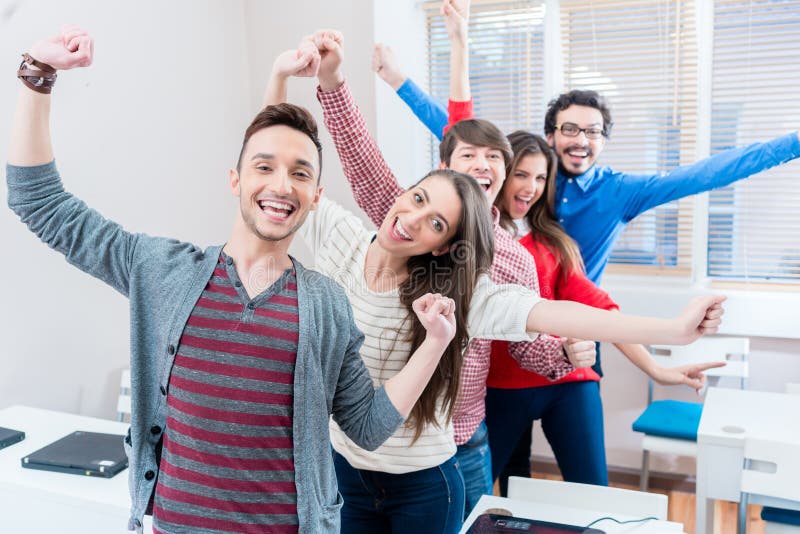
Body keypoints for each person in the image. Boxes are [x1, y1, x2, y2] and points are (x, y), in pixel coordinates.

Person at [7, 28, 466, 534]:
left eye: (299, 173)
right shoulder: (162, 271)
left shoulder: (325, 303)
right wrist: (37, 74)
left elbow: (368, 425)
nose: (279, 184)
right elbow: (41, 204)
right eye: (264, 167)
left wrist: (435, 343)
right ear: (236, 180)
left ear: (315, 196)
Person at [269, 29, 725, 532]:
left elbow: (551, 318)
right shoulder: (379, 226)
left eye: (495, 160)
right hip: (352, 457)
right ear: (439, 169)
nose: (481, 165)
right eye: (467, 156)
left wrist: (618, 344)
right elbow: (351, 154)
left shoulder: (484, 276)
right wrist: (330, 78)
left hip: (452, 442)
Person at [486, 131, 725, 492]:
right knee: (486, 494)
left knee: (593, 493)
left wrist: (656, 369)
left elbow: (601, 310)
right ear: (500, 174)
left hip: (568, 383)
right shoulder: (478, 240)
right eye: (521, 174)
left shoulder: (553, 244)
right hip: (500, 386)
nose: (531, 187)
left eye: (540, 178)